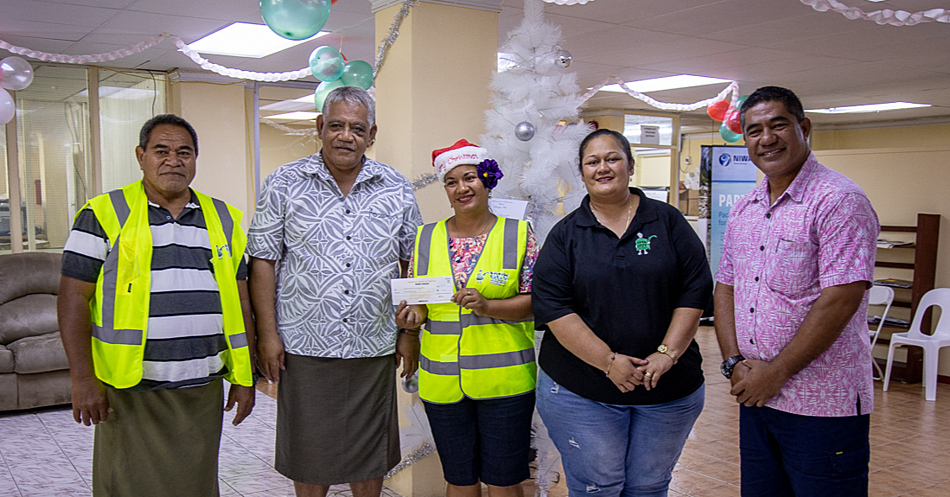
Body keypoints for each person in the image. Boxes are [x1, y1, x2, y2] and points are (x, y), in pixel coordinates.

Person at [58, 114, 256, 496]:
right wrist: (83, 379)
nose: (173, 160)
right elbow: (72, 298)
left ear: (196, 159)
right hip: (130, 389)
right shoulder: (103, 213)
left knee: (195, 485)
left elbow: (241, 301)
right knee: (129, 486)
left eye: (184, 152)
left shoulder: (225, 219)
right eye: (161, 151)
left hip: (201, 387)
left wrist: (245, 377)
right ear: (141, 156)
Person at [248, 86, 422, 497]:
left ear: (372, 134)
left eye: (357, 128)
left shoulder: (395, 186)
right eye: (337, 126)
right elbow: (263, 261)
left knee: (369, 451)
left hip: (374, 344)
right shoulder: (284, 183)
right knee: (310, 452)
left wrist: (409, 333)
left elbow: (413, 261)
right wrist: (267, 335)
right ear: (319, 127)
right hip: (304, 344)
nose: (347, 136)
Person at [714, 86, 880, 497]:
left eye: (778, 125)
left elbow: (841, 299)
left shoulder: (839, 200)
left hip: (822, 406)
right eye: (754, 130)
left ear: (804, 128)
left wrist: (777, 372)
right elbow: (726, 288)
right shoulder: (746, 207)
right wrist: (733, 361)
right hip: (757, 397)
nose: (766, 138)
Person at [532, 129, 712, 497]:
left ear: (630, 166)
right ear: (582, 173)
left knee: (649, 486)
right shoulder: (566, 234)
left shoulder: (668, 222)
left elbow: (695, 289)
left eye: (612, 158)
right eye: (592, 161)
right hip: (581, 391)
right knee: (597, 488)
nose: (603, 167)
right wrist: (608, 361)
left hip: (668, 389)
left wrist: (666, 354)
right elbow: (553, 305)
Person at [395, 139, 537, 497]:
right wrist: (411, 319)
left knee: (504, 480)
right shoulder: (426, 238)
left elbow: (538, 303)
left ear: (487, 180)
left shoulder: (519, 234)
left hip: (505, 382)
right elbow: (421, 303)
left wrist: (489, 306)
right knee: (459, 479)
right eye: (451, 181)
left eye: (470, 178)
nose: (461, 188)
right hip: (442, 382)